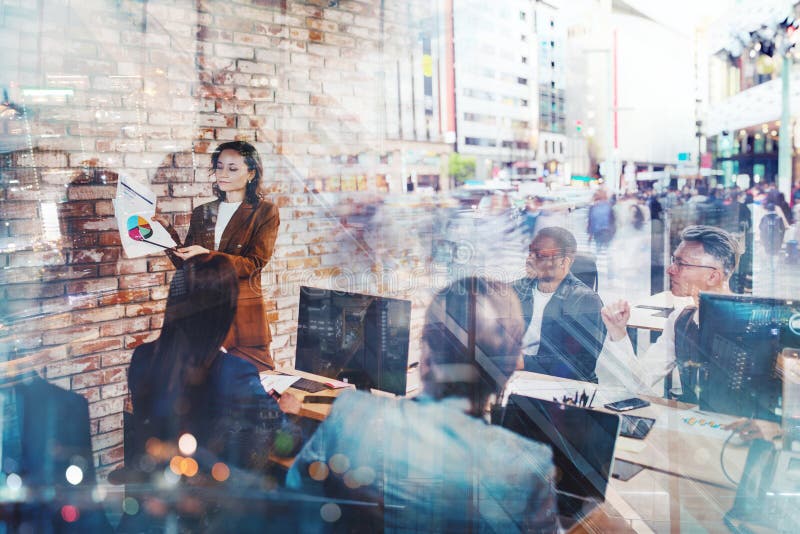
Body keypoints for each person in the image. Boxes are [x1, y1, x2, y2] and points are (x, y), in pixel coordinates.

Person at [286, 277, 558, 532]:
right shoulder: (529, 468)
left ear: (426, 355)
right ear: (509, 368)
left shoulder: (349, 412)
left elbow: (298, 498)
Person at [126, 254, 300, 476]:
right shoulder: (234, 373)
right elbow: (289, 442)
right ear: (225, 312)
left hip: (160, 488)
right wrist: (286, 412)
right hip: (214, 497)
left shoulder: (142, 356)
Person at [156, 141, 280, 370]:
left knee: (249, 387)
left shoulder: (265, 212)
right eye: (219, 166)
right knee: (209, 392)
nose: (222, 174)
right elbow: (189, 266)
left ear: (251, 173)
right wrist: (166, 234)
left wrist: (208, 254)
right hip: (203, 315)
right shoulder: (202, 212)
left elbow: (254, 264)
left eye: (232, 169)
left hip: (243, 317)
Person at [598, 225, 742, 401]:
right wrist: (618, 333)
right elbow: (639, 381)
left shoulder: (748, 324)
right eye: (674, 260)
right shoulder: (680, 320)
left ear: (713, 277)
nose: (670, 270)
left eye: (681, 264)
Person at [512, 226, 606, 382]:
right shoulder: (514, 291)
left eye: (540, 255)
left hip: (564, 389)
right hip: (517, 379)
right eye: (530, 252)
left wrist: (523, 362)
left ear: (564, 262)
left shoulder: (586, 301)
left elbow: (580, 365)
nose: (529, 259)